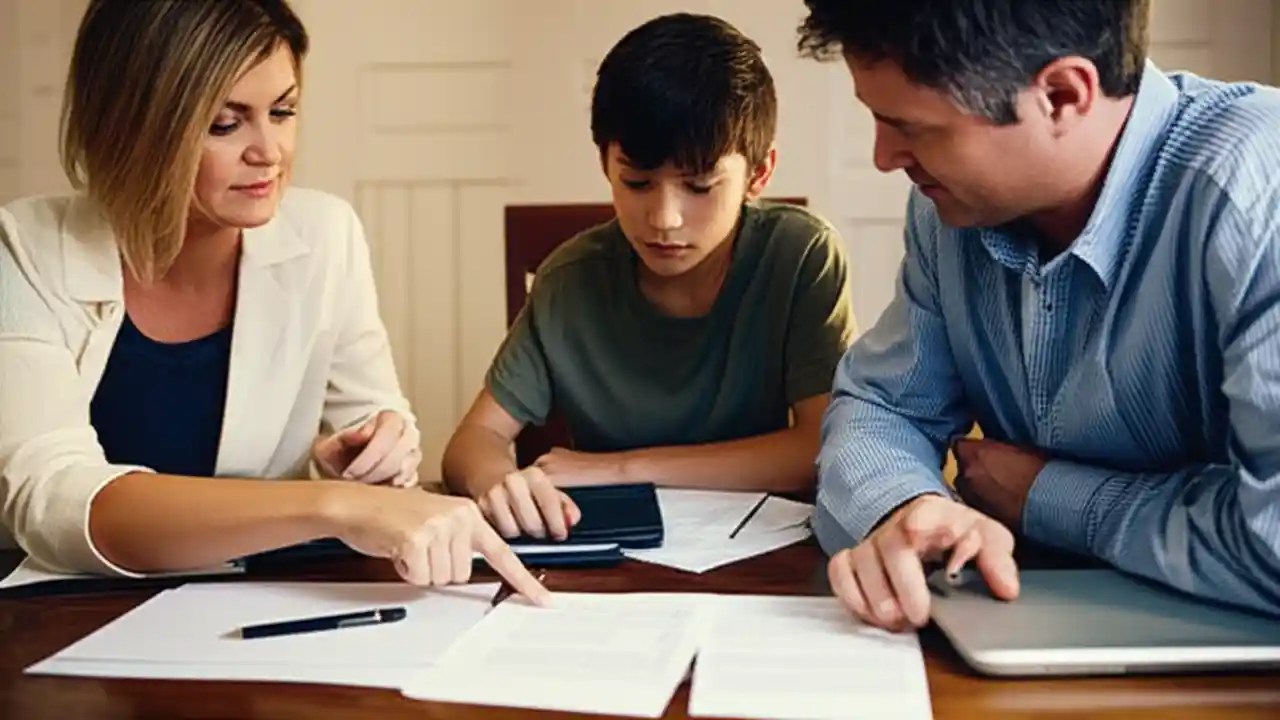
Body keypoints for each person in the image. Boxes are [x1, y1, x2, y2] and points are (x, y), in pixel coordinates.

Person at [0, 0, 545, 602]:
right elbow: (50, 498)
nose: (270, 152)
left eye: (282, 111)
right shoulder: (25, 247)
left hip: (257, 607)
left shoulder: (325, 235)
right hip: (57, 620)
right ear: (130, 125)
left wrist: (376, 457)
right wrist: (334, 503)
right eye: (225, 125)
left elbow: (378, 423)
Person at [798, 0, 1280, 629]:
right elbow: (879, 407)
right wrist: (905, 508)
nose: (883, 157)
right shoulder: (950, 211)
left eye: (911, 126)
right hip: (1013, 623)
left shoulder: (1254, 194)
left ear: (1059, 95)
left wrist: (1046, 497)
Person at [443, 13, 855, 541]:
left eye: (700, 187)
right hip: (608, 555)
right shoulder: (569, 280)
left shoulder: (799, 256)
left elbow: (822, 447)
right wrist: (499, 483)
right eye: (637, 183)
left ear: (759, 174)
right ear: (605, 165)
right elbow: (474, 438)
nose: (664, 219)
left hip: (768, 553)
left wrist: (621, 468)